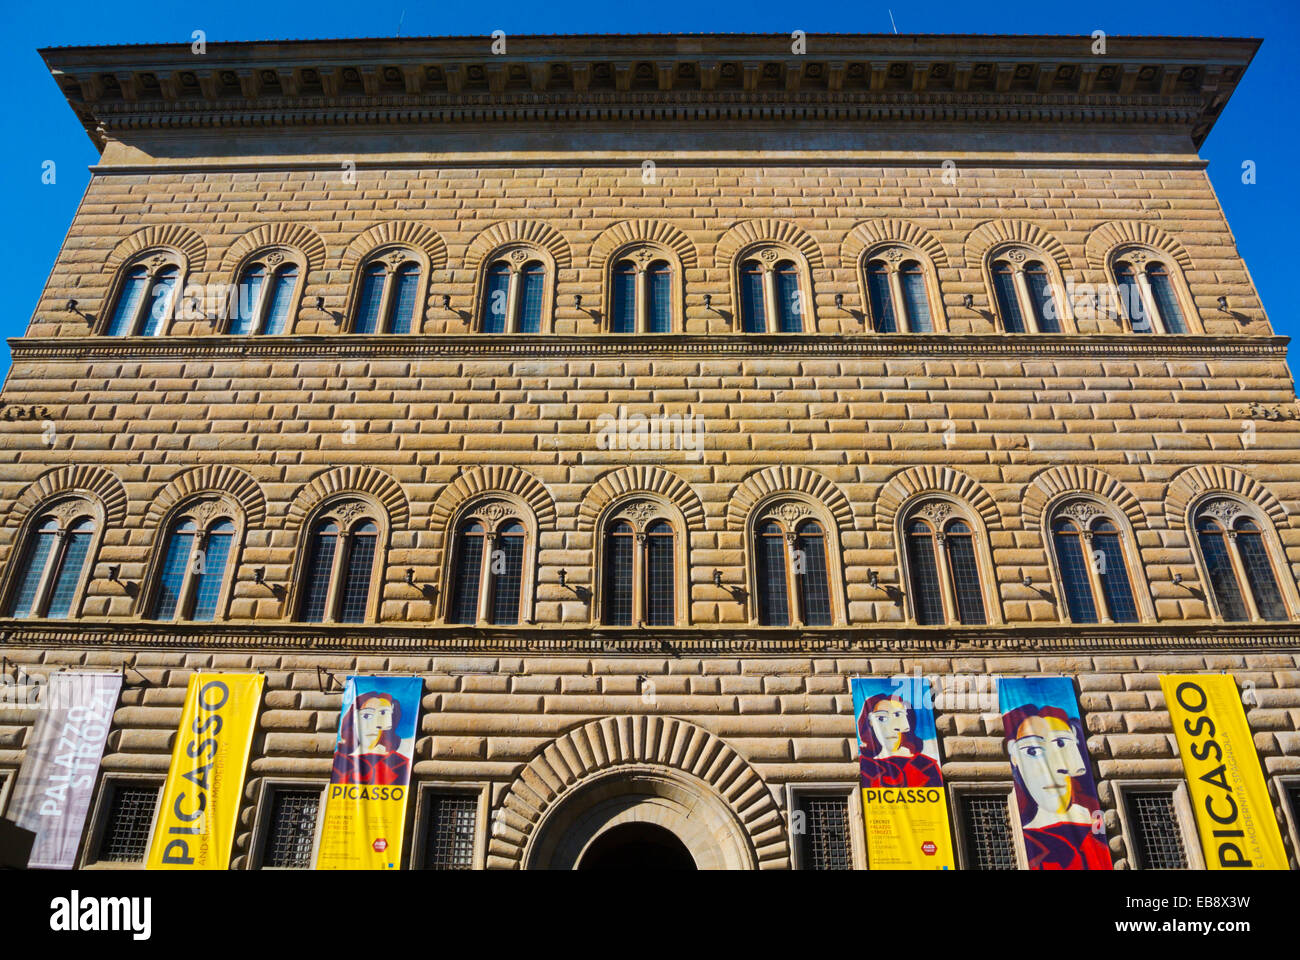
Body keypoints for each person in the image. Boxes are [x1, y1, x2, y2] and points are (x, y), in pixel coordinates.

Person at [1004, 703, 1111, 869]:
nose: (1053, 766)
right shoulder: (1028, 839)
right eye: (1033, 751)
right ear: (1014, 757)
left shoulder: (1095, 824)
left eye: (1061, 744)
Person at [857, 692, 943, 788]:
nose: (892, 727)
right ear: (870, 723)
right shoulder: (865, 766)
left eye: (898, 715)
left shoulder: (927, 766)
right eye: (881, 718)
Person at [331, 691, 410, 785]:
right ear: (353, 719)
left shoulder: (401, 764)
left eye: (383, 715)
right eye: (366, 716)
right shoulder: (340, 762)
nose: (375, 724)